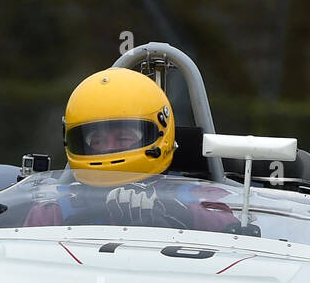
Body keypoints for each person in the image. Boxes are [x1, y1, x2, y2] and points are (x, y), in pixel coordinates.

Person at [23, 67, 238, 232]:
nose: (109, 148)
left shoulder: (202, 202)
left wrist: (178, 216)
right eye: (96, 140)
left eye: (124, 137)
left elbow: (234, 247)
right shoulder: (51, 212)